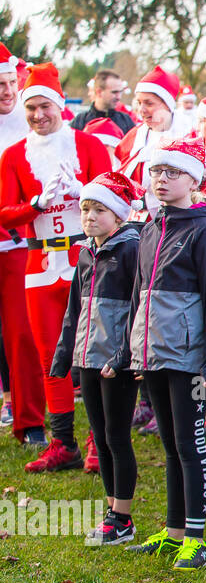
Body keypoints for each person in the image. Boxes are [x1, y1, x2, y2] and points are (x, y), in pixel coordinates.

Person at [117, 135, 206, 570]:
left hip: (190, 358)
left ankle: (196, 540)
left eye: (173, 172)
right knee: (169, 445)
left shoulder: (205, 229)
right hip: (153, 353)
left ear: (194, 179)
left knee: (190, 444)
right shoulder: (149, 227)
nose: (162, 179)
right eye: (157, 171)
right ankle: (174, 531)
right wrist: (133, 349)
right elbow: (137, 295)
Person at [0, 63, 113, 470]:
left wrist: (87, 192)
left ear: (60, 106)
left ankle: (100, 439)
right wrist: (36, 205)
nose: (38, 115)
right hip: (40, 262)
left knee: (96, 351)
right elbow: (4, 213)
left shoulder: (86, 145)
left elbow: (119, 195)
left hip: (87, 259)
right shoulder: (14, 155)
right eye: (31, 109)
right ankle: (62, 441)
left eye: (45, 106)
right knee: (51, 356)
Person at [51, 172, 141, 544]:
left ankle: (123, 516)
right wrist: (65, 355)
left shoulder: (132, 249)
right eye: (85, 208)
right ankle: (111, 513)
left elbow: (138, 307)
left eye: (99, 209)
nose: (89, 216)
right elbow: (75, 308)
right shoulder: (87, 251)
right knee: (100, 435)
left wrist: (124, 356)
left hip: (114, 361)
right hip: (88, 357)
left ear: (119, 215)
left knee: (118, 435)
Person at [0, 42, 46, 445]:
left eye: (9, 82)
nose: (4, 91)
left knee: (22, 334)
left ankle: (30, 420)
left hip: (15, 245)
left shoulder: (29, 130)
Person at [116, 66, 181, 209]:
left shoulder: (189, 136)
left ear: (167, 105)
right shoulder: (133, 136)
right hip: (135, 220)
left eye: (149, 103)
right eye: (139, 103)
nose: (142, 110)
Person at [70, 69, 136, 136]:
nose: (119, 97)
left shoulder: (126, 121)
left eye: (120, 92)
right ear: (99, 92)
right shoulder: (80, 121)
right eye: (114, 92)